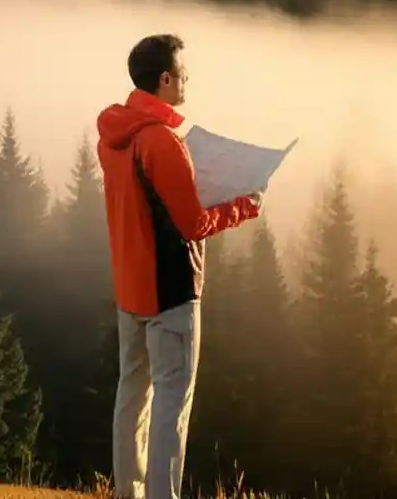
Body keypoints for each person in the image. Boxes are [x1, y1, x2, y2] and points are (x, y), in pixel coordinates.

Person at [96, 33, 262, 499]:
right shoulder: (161, 142)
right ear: (164, 79)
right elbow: (192, 223)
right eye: (183, 73)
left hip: (130, 289)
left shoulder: (114, 137)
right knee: (172, 402)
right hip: (170, 292)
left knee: (132, 397)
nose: (188, 80)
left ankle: (127, 492)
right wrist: (245, 206)